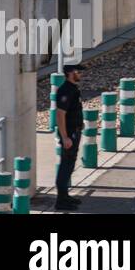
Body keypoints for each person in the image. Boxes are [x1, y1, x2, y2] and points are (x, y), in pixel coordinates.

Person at [54, 63, 85, 211]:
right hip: (70, 134)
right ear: (70, 73)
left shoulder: (73, 89)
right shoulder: (66, 90)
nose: (81, 74)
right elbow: (60, 115)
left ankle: (65, 196)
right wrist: (65, 137)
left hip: (75, 131)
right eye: (78, 72)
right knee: (65, 166)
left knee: (70, 164)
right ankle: (60, 200)